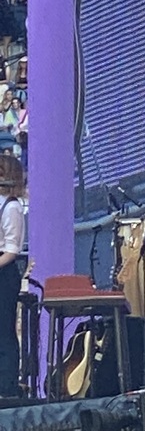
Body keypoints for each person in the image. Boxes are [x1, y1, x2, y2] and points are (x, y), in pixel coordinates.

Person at [0, 154, 23, 395]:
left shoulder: (12, 207)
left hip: (4, 273)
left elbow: (11, 250)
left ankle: (7, 388)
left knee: (3, 330)